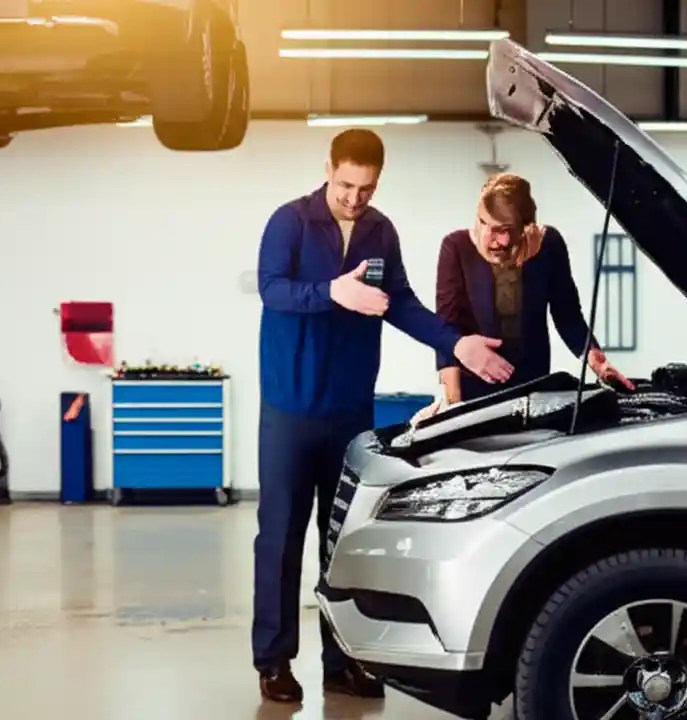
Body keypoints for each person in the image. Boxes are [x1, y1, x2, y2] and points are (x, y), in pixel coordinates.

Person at [251, 129, 513, 704]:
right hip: (290, 409)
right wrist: (332, 293)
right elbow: (272, 290)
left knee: (344, 543)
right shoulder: (290, 222)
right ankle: (273, 660)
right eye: (346, 185)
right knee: (281, 538)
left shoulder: (380, 231)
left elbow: (403, 304)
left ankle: (343, 660)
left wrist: (456, 343)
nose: (355, 199)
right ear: (328, 170)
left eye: (366, 189)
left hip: (350, 410)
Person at [424, 172, 632, 414]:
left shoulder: (548, 244)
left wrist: (599, 363)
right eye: (491, 227)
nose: (497, 240)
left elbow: (568, 316)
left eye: (508, 230)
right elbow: (447, 328)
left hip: (533, 390)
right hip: (475, 393)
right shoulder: (455, 247)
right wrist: (453, 404)